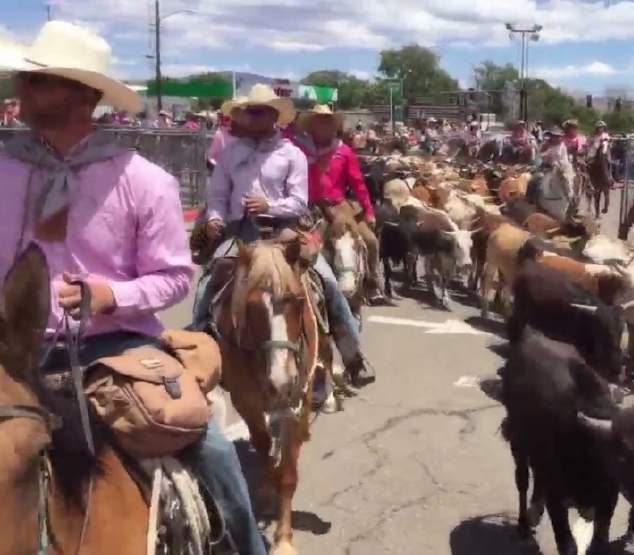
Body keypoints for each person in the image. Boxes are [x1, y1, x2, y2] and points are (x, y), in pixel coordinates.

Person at [0, 21, 266, 555]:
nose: (21, 92)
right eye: (26, 81)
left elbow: (174, 277)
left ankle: (249, 544)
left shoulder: (143, 181)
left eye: (39, 82)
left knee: (211, 448)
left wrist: (110, 297)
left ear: (85, 95)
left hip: (112, 346)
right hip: (8, 350)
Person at [194, 87, 374, 394]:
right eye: (250, 111)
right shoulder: (230, 154)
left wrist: (270, 207)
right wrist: (214, 218)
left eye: (261, 111)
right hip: (239, 232)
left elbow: (299, 202)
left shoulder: (292, 154)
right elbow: (218, 196)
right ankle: (198, 345)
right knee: (209, 281)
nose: (254, 117)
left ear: (276, 116)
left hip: (283, 231)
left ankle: (352, 352)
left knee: (327, 281)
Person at [290, 104, 384, 306]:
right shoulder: (296, 148)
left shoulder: (344, 151)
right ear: (311, 125)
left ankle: (373, 282)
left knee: (370, 240)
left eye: (328, 122)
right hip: (303, 204)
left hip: (338, 206)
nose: (324, 125)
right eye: (319, 121)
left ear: (334, 126)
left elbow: (357, 182)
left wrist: (369, 211)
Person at [206, 96, 245, 172]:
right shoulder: (220, 135)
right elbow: (211, 157)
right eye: (228, 119)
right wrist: (220, 170)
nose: (233, 121)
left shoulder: (249, 135)